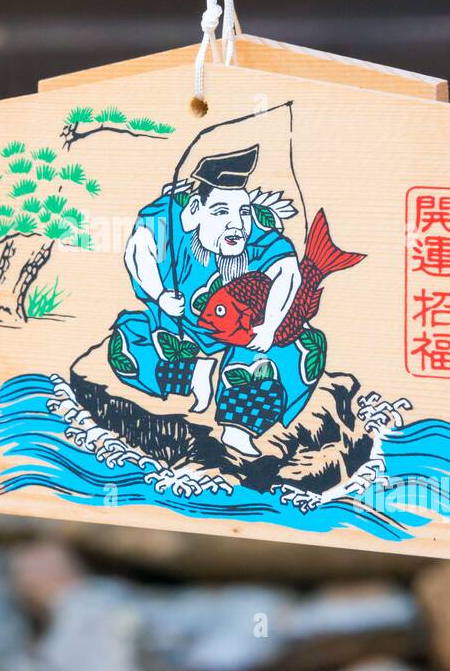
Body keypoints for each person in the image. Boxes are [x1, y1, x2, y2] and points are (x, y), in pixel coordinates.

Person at [108, 145, 317, 456]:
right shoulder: (169, 217)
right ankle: (193, 375)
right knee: (127, 340)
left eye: (242, 212)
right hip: (180, 329)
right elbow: (139, 249)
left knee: (297, 352)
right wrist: (160, 295)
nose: (236, 224)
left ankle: (238, 428)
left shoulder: (258, 230)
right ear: (195, 211)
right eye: (221, 212)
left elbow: (287, 272)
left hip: (245, 333)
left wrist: (270, 326)